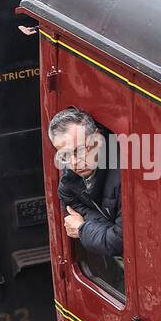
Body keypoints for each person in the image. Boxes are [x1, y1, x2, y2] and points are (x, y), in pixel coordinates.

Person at [48, 106, 122, 259]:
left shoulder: (123, 175)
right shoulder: (69, 185)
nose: (74, 162)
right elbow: (116, 237)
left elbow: (120, 241)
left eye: (80, 150)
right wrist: (106, 231)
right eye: (65, 156)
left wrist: (83, 229)